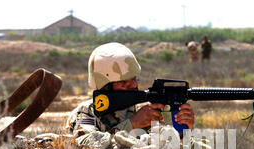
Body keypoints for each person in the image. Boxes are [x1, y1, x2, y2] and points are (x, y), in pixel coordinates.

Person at [66, 42, 195, 136]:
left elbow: (167, 146)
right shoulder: (86, 112)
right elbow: (85, 147)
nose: (133, 85)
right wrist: (132, 125)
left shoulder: (141, 110)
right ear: (105, 86)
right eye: (123, 82)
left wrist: (183, 129)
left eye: (134, 79)